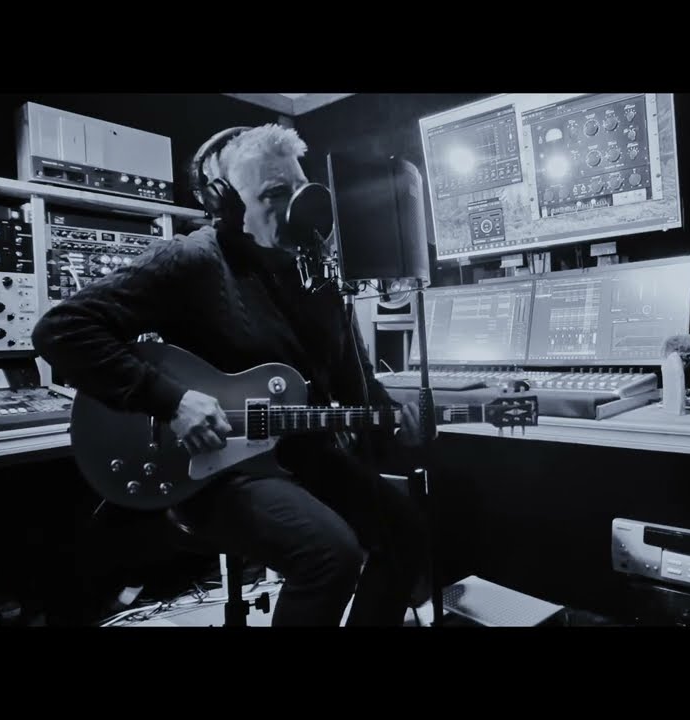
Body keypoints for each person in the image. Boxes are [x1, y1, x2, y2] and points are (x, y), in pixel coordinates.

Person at [31, 123, 429, 626]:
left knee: (406, 533)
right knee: (330, 555)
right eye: (275, 193)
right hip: (210, 472)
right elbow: (61, 329)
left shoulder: (320, 277)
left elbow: (357, 386)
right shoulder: (193, 259)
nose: (297, 206)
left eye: (301, 189)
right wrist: (172, 401)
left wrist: (395, 420)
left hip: (298, 454)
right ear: (227, 204)